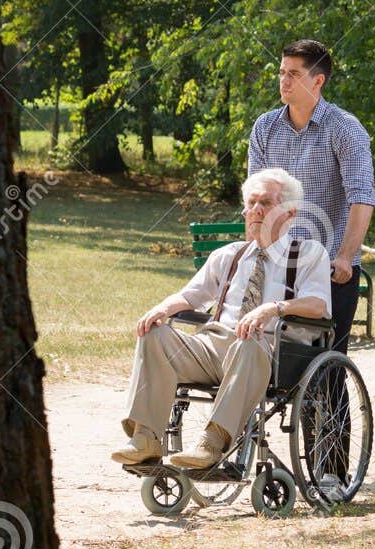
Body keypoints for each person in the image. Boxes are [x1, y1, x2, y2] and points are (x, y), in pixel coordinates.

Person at [111, 168, 331, 472]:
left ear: (290, 213)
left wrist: (272, 308)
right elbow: (190, 296)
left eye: (266, 203)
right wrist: (162, 308)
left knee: (249, 341)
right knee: (155, 334)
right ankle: (146, 438)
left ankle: (212, 443)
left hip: (271, 352)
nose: (256, 210)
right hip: (214, 347)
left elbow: (318, 305)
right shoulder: (228, 255)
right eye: (251, 203)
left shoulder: (308, 254)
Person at [247, 39, 375, 353]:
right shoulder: (265, 127)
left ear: (318, 81)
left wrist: (345, 256)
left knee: (325, 362)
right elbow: (254, 199)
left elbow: (362, 197)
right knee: (262, 355)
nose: (284, 81)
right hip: (275, 263)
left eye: (293, 74)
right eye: (282, 72)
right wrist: (252, 251)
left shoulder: (344, 128)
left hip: (330, 268)